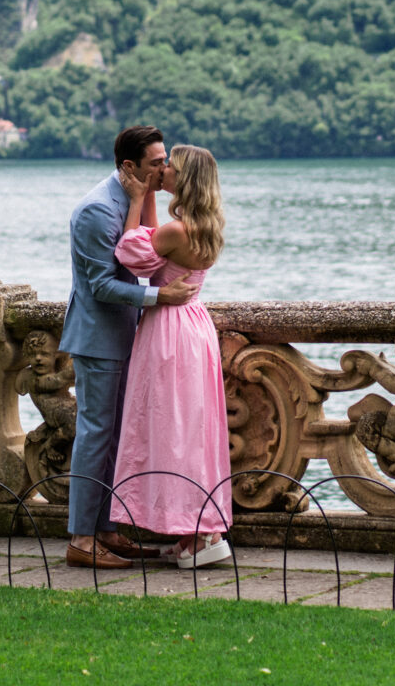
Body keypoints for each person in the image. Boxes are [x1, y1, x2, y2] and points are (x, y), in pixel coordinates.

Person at [60, 126, 199, 569]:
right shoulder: (97, 212)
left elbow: (148, 252)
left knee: (116, 438)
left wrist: (150, 196)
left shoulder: (131, 199)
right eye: (156, 163)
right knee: (95, 435)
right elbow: (100, 285)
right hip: (98, 339)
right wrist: (161, 298)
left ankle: (107, 531)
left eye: (165, 160)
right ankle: (81, 539)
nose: (165, 168)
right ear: (129, 167)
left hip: (127, 336)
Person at [110, 144, 233, 568]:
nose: (164, 170)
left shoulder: (177, 233)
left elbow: (131, 252)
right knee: (192, 432)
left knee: (169, 429)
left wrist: (135, 200)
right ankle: (198, 529)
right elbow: (155, 241)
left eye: (171, 168)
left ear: (186, 180)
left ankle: (193, 533)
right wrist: (149, 198)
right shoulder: (205, 226)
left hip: (168, 330)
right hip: (195, 326)